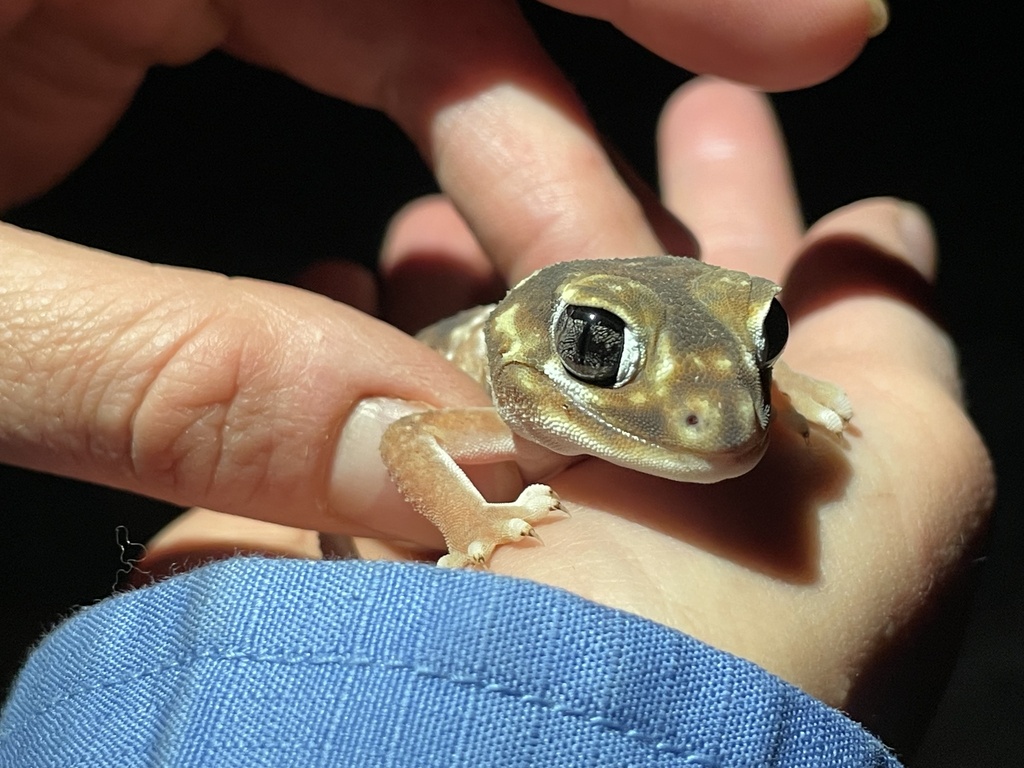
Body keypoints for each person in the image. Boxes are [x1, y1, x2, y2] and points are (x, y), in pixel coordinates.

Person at [0, 1, 994, 765]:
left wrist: (778, 383)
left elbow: (713, 361)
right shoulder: (490, 409)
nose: (717, 416)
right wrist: (472, 526)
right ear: (530, 356)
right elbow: (403, 435)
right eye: (597, 349)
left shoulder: (720, 391)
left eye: (765, 340)